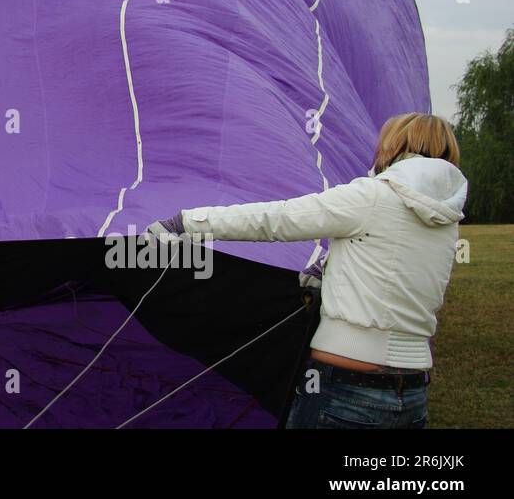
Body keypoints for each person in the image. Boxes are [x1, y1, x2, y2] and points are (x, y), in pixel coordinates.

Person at [146, 113, 466, 429]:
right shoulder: (447, 219)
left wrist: (187, 223)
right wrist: (331, 266)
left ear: (395, 145)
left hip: (345, 392)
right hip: (412, 395)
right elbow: (394, 269)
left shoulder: (371, 196)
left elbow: (277, 219)